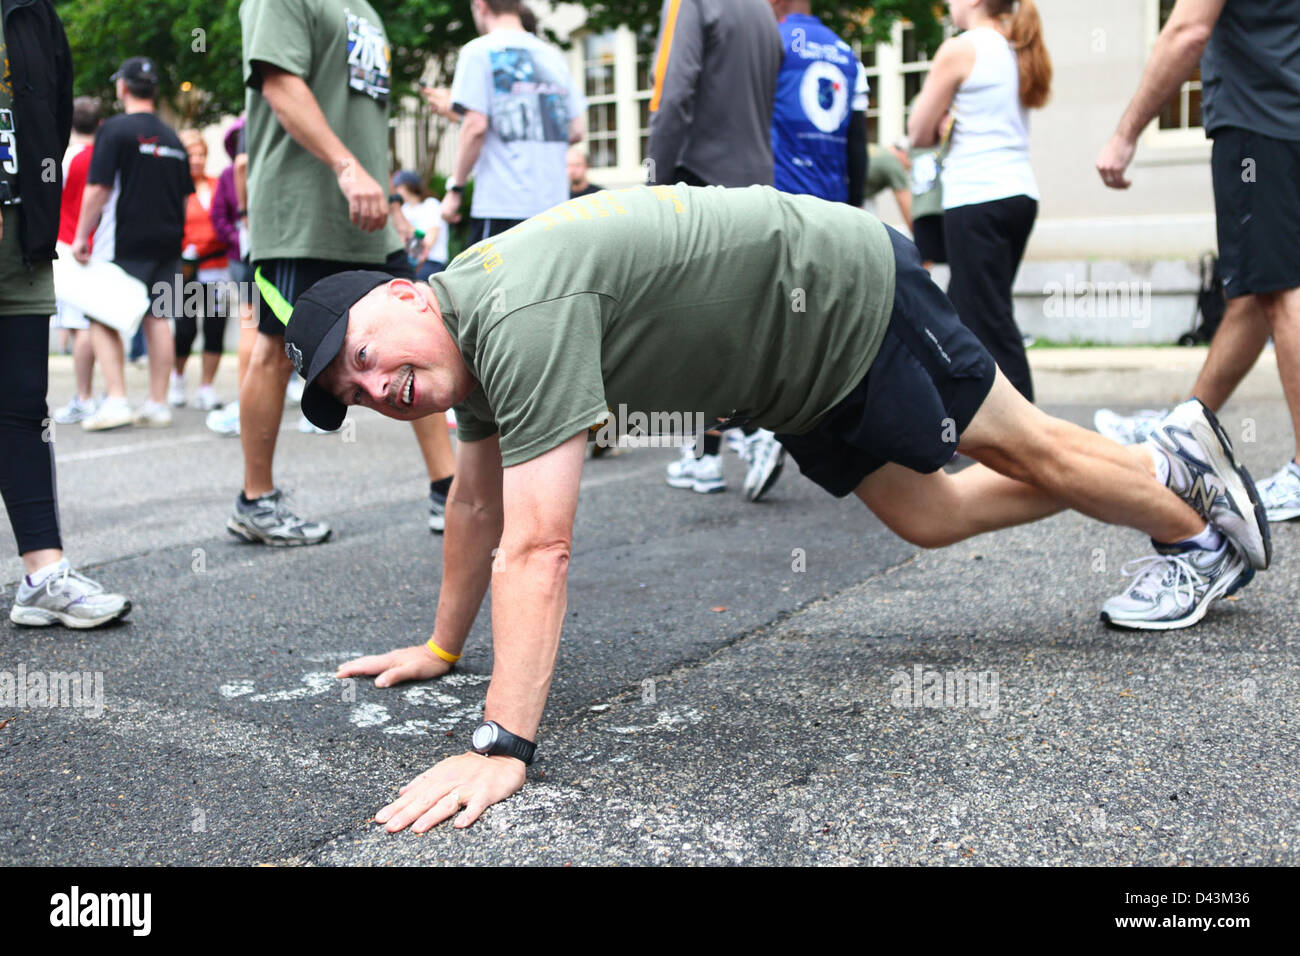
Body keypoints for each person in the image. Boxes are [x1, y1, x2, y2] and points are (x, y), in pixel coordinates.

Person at [283, 184, 1268, 829]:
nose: (373, 386)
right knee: (925, 515)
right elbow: (475, 511)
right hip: (792, 373)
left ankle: (1194, 527)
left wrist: (500, 745)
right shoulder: (469, 336)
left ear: (409, 298)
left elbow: (536, 546)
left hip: (843, 293)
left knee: (1023, 441)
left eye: (365, 357)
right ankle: (1157, 458)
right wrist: (443, 648)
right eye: (352, 391)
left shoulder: (511, 314)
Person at [236, 0, 457, 543]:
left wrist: (392, 201)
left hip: (369, 214)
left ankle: (447, 490)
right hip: (302, 213)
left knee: (418, 336)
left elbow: (363, 120)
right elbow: (280, 86)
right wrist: (344, 167)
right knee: (277, 350)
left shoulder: (366, 12)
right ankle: (255, 500)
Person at [1095, 0, 1300, 524]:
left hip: (1261, 122)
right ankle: (1177, 434)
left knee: (1279, 292)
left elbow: (1186, 31)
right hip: (1284, 120)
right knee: (1256, 294)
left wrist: (1125, 135)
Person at [1, 0, 130, 628]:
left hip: (18, 232)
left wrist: (35, 212)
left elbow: (51, 120)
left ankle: (42, 575)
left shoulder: (33, 14)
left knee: (23, 402)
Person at [647, 0, 784, 497]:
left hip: (699, 180)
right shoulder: (762, 11)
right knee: (724, 327)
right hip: (754, 181)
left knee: (689, 327)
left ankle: (750, 432)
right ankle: (704, 455)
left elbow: (671, 95)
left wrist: (653, 183)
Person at [909, 0, 1052, 403]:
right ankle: (955, 421)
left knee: (986, 320)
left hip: (977, 197)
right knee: (960, 313)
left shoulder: (961, 49)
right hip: (1018, 196)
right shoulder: (1015, 46)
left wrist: (937, 120)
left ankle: (1030, 445)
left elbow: (917, 130)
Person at [71, 56, 192, 432]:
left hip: (124, 240)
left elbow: (99, 187)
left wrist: (80, 235)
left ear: (122, 87)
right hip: (168, 241)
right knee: (159, 319)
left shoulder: (115, 130)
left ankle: (117, 399)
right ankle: (158, 403)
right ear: (154, 90)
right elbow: (185, 196)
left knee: (100, 316)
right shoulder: (174, 137)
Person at [431, 0, 586, 244]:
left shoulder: (478, 51)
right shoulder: (553, 56)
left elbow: (476, 127)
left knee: (491, 282)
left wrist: (455, 189)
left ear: (481, 6)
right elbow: (576, 130)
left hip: (503, 205)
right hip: (555, 207)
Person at [169, 128, 229, 411]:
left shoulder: (218, 185)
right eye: (191, 154)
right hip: (186, 269)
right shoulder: (173, 188)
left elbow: (228, 219)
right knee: (184, 329)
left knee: (215, 328)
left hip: (218, 267)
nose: (196, 159)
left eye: (201, 154)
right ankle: (177, 378)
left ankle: (207, 386)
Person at [51, 95, 101, 425]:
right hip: (101, 247)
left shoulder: (65, 158)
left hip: (70, 246)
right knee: (97, 324)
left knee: (80, 325)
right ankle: (107, 392)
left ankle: (84, 396)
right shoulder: (105, 157)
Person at [206, 118, 256, 437]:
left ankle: (247, 404)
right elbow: (218, 217)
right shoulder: (227, 177)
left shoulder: (239, 168)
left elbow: (242, 164)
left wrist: (245, 217)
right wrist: (238, 238)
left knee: (253, 328)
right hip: (247, 254)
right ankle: (250, 401)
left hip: (261, 250)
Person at [388, 169, 448, 279]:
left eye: (397, 187)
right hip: (409, 261)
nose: (395, 191)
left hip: (431, 262)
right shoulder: (403, 210)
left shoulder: (431, 204)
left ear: (408, 187)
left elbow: (430, 240)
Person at [865, 141, 914, 232]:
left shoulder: (879, 150)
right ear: (904, 154)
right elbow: (906, 206)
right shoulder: (893, 163)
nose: (908, 168)